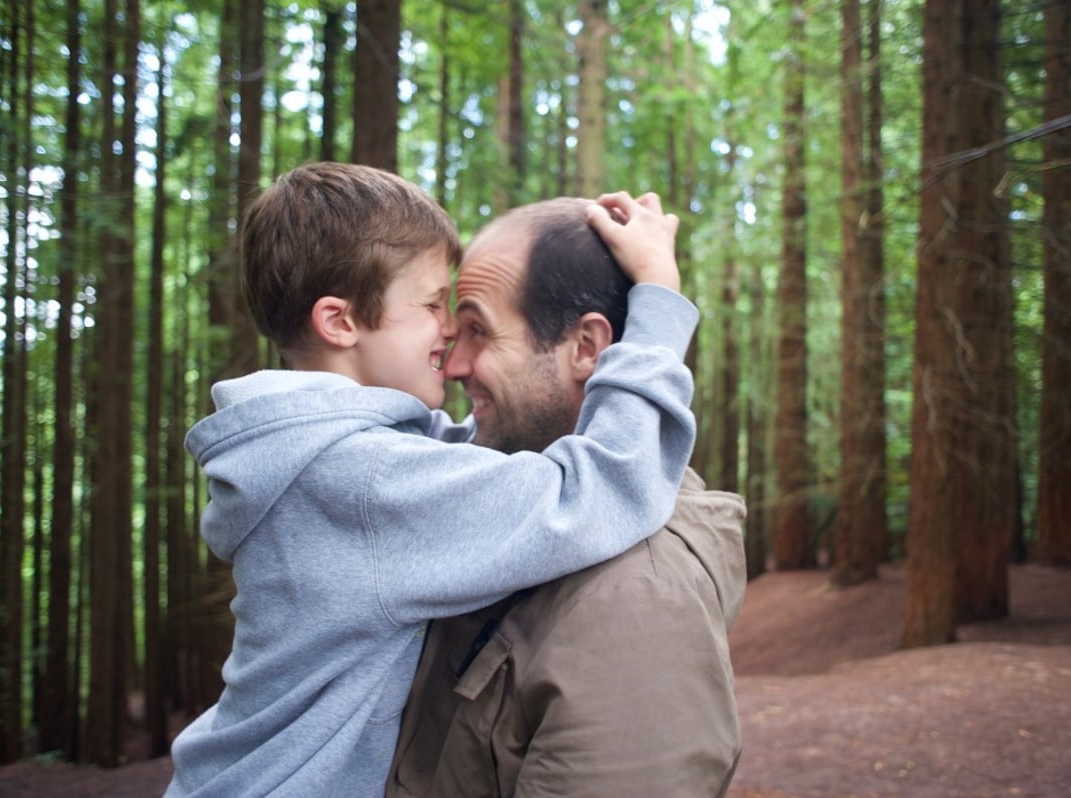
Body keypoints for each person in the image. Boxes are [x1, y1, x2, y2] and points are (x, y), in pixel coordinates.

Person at [164, 163, 700, 798]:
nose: (448, 330)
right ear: (339, 322)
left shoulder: (324, 455)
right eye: (431, 305)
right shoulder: (363, 481)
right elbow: (601, 490)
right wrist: (660, 303)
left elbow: (471, 462)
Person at [385, 197, 748, 798]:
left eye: (477, 328)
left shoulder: (638, 599)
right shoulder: (507, 514)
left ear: (587, 348)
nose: (453, 364)